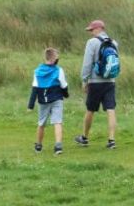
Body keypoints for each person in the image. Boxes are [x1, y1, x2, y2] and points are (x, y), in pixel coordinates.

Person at [75, 20, 118, 149]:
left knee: (90, 109)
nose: (91, 32)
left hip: (95, 82)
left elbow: (87, 63)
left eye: (92, 30)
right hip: (110, 81)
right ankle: (111, 140)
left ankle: (84, 137)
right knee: (110, 109)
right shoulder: (113, 42)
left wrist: (84, 80)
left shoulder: (92, 43)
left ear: (98, 28)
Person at [28, 47, 69, 156]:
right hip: (57, 99)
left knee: (41, 123)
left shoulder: (37, 71)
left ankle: (38, 145)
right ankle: (58, 146)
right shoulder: (59, 70)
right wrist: (66, 94)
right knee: (57, 122)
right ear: (53, 59)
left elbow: (34, 89)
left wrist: (30, 105)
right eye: (57, 59)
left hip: (43, 101)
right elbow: (64, 85)